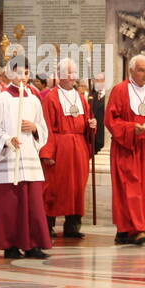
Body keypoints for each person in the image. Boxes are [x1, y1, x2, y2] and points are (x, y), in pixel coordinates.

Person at [0, 58, 51, 259]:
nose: (23, 77)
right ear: (10, 74)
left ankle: (32, 244)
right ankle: (10, 244)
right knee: (10, 205)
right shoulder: (1, 99)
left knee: (32, 204)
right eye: (19, 73)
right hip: (9, 158)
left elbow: (43, 127)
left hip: (29, 156)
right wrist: (7, 139)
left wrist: (35, 128)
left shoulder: (34, 99)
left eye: (26, 73)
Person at [106, 55, 145, 245]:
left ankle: (125, 231)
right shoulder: (120, 90)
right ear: (131, 71)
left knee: (144, 188)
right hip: (127, 146)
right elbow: (111, 120)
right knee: (129, 188)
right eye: (141, 70)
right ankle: (137, 230)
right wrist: (131, 128)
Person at [39, 58, 94, 239]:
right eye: (69, 73)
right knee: (55, 187)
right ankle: (48, 225)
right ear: (60, 75)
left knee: (77, 187)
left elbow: (86, 123)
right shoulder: (51, 97)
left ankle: (73, 226)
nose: (73, 76)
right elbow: (46, 126)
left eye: (74, 72)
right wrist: (47, 152)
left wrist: (92, 126)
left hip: (79, 147)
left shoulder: (80, 97)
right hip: (59, 147)